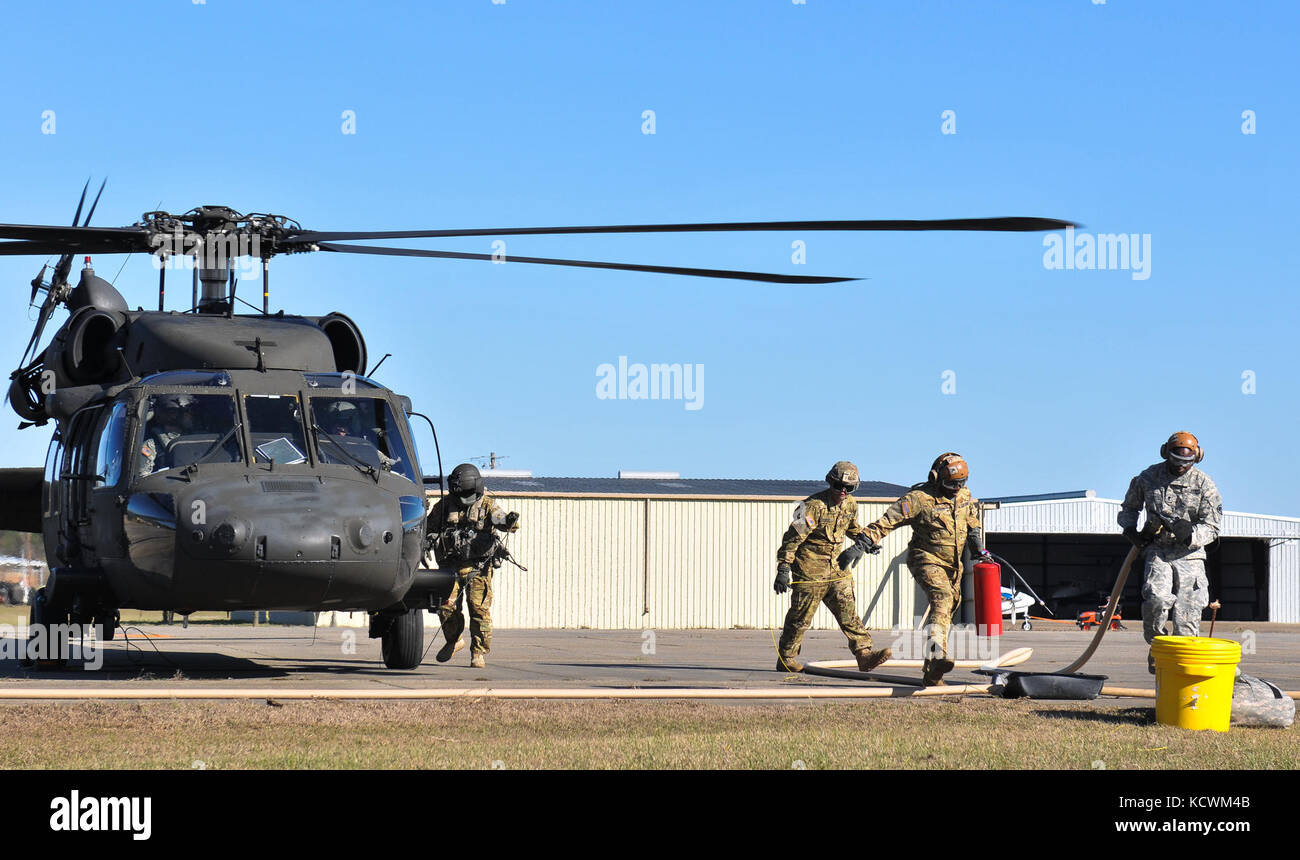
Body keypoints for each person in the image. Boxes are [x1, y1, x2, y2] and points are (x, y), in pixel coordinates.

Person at [847, 453, 988, 686]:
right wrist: (861, 545)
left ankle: (932, 673)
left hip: (953, 566)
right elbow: (886, 522)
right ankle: (937, 655)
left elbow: (972, 524)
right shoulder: (918, 499)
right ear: (935, 478)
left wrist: (978, 549)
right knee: (941, 600)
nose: (956, 489)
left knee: (946, 612)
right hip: (926, 558)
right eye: (951, 484)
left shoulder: (964, 496)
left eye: (961, 483)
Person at [1117, 431, 1222, 673]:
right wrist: (1130, 529)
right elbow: (1129, 508)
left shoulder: (1205, 484)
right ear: (1167, 454)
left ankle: (1183, 667)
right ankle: (1159, 652)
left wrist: (1192, 535)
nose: (1182, 467)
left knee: (1188, 612)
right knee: (1156, 599)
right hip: (1159, 550)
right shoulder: (1148, 477)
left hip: (1190, 554)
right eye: (1177, 461)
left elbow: (1213, 526)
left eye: (1187, 463)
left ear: (1196, 458)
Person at [774, 461, 892, 673]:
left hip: (837, 569)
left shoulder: (850, 505)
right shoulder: (812, 506)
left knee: (848, 612)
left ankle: (864, 654)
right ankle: (787, 658)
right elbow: (792, 540)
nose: (843, 492)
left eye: (850, 488)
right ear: (831, 483)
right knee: (800, 618)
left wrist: (866, 543)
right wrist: (783, 569)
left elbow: (853, 528)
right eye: (839, 487)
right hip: (809, 569)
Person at [425, 463, 520, 668]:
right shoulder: (443, 506)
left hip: (478, 568)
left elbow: (502, 521)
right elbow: (427, 528)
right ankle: (454, 641)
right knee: (445, 607)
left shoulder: (487, 505)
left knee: (479, 610)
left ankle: (478, 653)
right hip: (449, 567)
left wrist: (509, 520)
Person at [137, 394, 193, 476]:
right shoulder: (152, 445)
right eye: (173, 412)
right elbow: (142, 475)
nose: (188, 415)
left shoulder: (201, 437)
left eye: (189, 411)